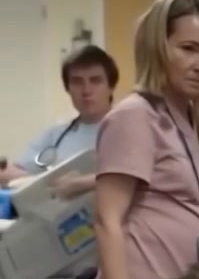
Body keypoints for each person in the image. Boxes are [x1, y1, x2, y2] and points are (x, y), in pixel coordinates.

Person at [87, 0, 199, 279]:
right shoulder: (136, 115)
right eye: (189, 48)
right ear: (159, 47)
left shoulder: (194, 117)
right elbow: (106, 220)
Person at [0, 45, 119, 194]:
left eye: (95, 81)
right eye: (77, 82)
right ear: (68, 88)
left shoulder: (128, 128)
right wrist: (50, 182)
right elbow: (10, 174)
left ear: (111, 86)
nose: (86, 90)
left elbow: (130, 178)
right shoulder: (56, 134)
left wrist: (75, 183)